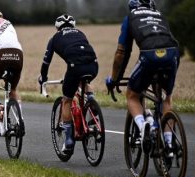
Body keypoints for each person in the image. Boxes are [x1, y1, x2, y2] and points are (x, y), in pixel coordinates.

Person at [108, 0, 181, 152]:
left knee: (132, 94)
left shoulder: (131, 17)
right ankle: (168, 144)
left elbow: (122, 52)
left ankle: (143, 128)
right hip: (172, 54)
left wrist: (115, 79)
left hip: (149, 55)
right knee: (166, 96)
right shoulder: (160, 15)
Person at [38, 14, 98, 155]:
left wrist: (43, 78)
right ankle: (92, 102)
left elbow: (46, 62)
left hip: (75, 66)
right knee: (84, 82)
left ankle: (69, 140)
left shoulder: (54, 38)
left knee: (66, 99)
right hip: (93, 65)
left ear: (57, 27)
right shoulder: (80, 32)